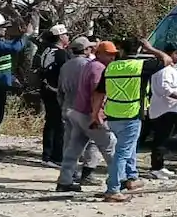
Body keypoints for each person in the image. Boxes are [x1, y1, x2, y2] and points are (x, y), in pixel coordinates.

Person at [95, 38, 172, 197]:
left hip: (113, 114)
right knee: (122, 152)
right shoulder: (141, 66)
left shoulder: (111, 68)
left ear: (121, 51)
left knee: (127, 147)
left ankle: (131, 177)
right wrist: (150, 48)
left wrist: (95, 113)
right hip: (131, 114)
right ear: (138, 51)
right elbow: (167, 59)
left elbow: (99, 92)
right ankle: (113, 188)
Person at [56, 40, 120, 198]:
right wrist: (97, 116)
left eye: (114, 54)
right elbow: (96, 93)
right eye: (109, 54)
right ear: (99, 53)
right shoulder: (98, 68)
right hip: (88, 114)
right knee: (111, 148)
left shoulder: (88, 65)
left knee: (74, 149)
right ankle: (119, 182)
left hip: (77, 112)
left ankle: (64, 181)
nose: (112, 57)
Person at [0, 11, 34, 160]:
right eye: (2, 27)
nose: (5, 30)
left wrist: (22, 37)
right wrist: (26, 35)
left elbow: (13, 45)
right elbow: (14, 48)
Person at [58, 36, 101, 186]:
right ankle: (87, 174)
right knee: (92, 142)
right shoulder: (90, 65)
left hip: (68, 108)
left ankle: (70, 174)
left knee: (70, 143)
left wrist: (62, 106)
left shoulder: (66, 66)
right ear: (86, 49)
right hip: (84, 109)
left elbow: (60, 90)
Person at [148, 43, 177, 180]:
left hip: (169, 109)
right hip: (165, 110)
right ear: (171, 54)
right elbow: (165, 89)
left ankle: (160, 166)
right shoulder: (165, 70)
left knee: (163, 139)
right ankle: (156, 168)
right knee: (160, 139)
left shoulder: (170, 69)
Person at [37, 24, 71, 168]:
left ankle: (47, 154)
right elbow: (67, 74)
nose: (68, 37)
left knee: (50, 122)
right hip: (56, 91)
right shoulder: (61, 54)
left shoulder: (46, 50)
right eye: (67, 35)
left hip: (45, 88)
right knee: (58, 124)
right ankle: (56, 156)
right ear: (61, 37)